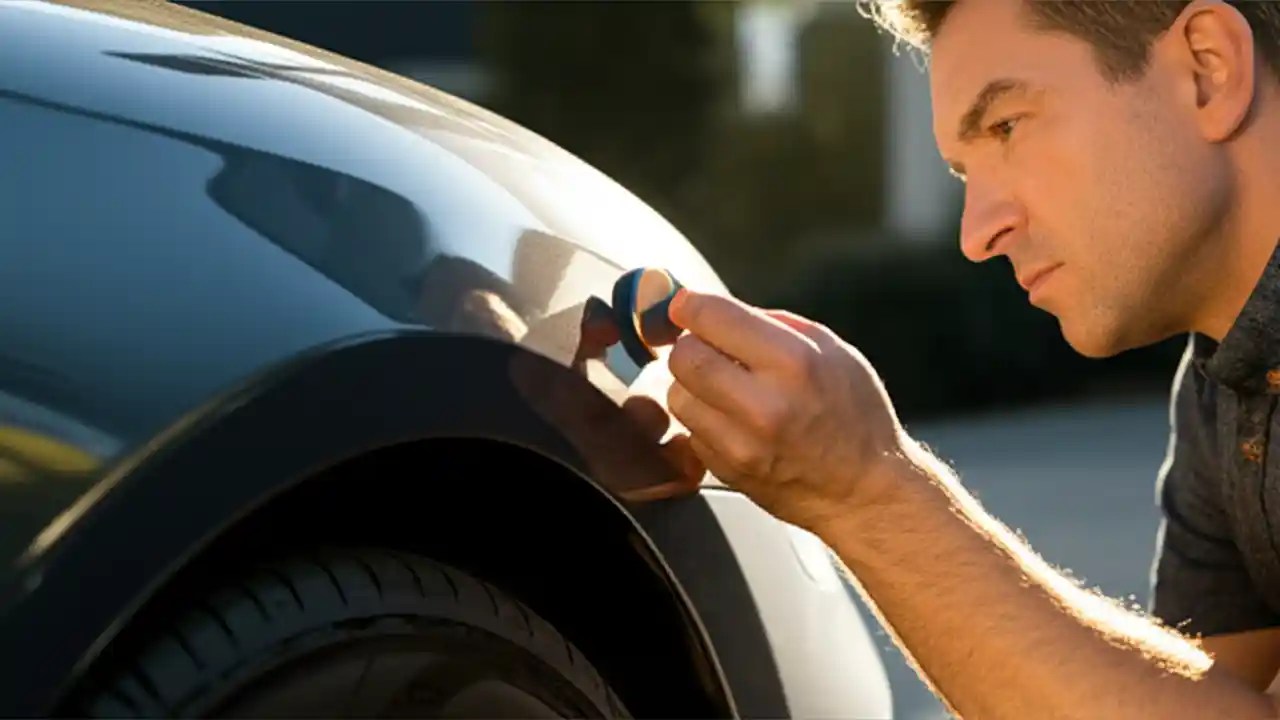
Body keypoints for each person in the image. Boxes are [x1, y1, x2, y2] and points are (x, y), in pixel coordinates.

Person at [659, 0, 1280, 717]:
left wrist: (867, 493)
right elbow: (1191, 699)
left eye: (1007, 126)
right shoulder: (1222, 383)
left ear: (1208, 70)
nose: (978, 232)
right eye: (961, 173)